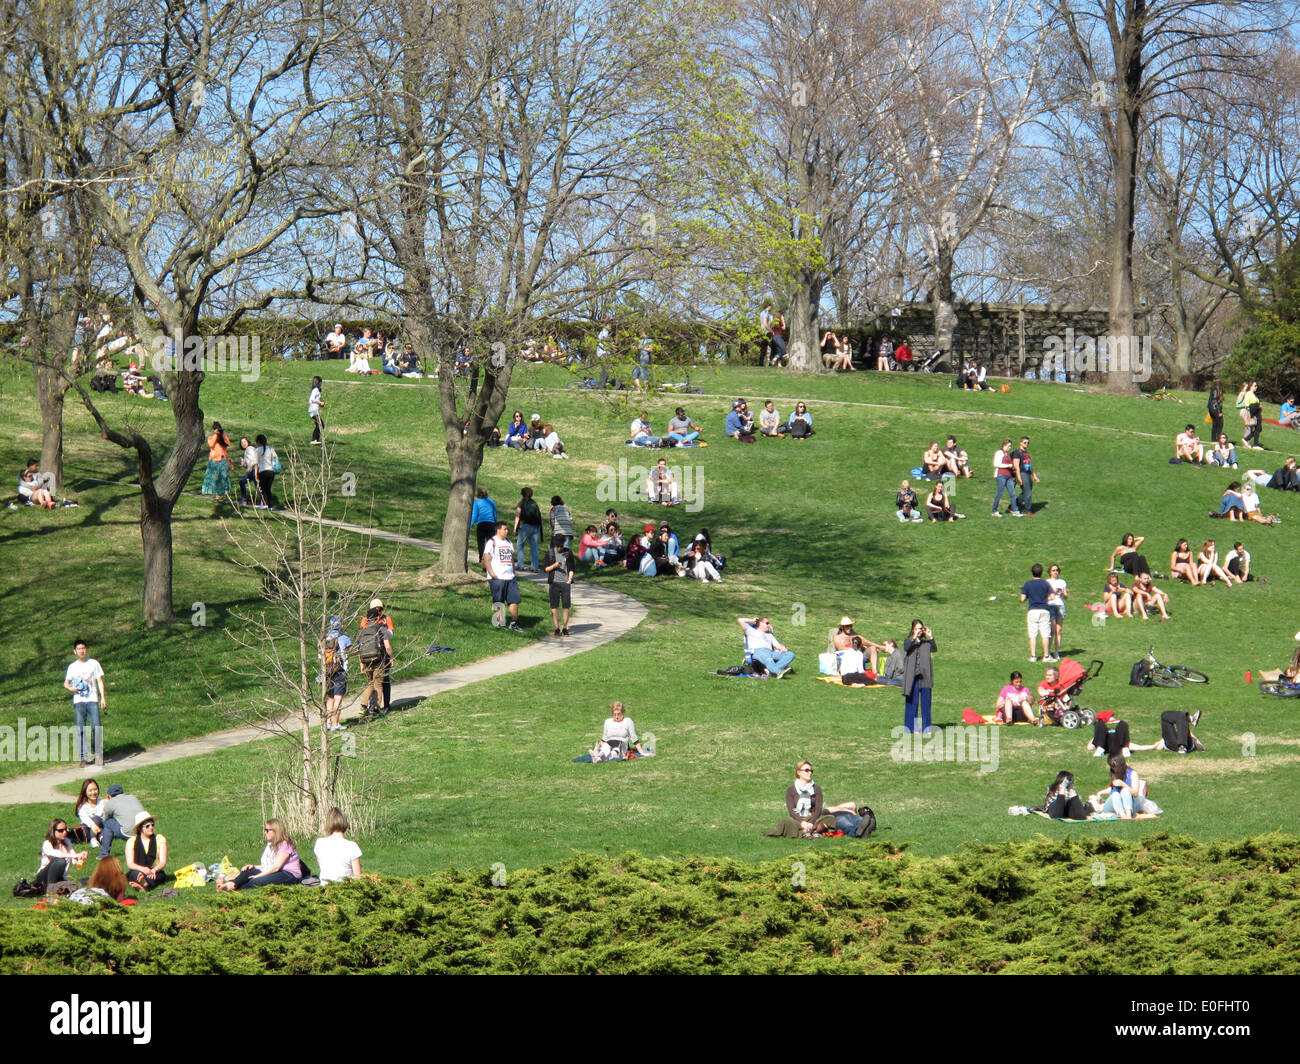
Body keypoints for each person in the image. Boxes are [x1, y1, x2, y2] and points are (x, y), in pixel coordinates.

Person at [764, 761, 862, 837]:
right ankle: (811, 831)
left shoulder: (816, 788)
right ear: (799, 772)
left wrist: (810, 823)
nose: (809, 773)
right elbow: (791, 811)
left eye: (811, 771)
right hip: (798, 819)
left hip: (813, 818)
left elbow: (818, 809)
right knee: (786, 822)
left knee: (830, 818)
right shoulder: (791, 790)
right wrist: (802, 822)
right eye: (806, 770)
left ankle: (809, 831)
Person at [217, 819, 304, 891]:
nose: (265, 832)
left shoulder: (284, 845)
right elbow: (269, 865)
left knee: (255, 881)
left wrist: (257, 876)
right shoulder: (272, 844)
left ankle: (232, 887)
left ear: (276, 831)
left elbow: (275, 867)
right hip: (278, 871)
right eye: (265, 830)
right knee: (248, 871)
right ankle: (232, 883)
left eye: (268, 830)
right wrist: (254, 866)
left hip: (289, 875)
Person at [64, 639, 106, 767]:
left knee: (96, 727)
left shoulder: (93, 663)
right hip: (79, 701)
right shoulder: (72, 667)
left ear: (86, 649)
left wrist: (103, 698)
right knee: (81, 729)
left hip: (92, 700)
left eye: (83, 648)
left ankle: (98, 754)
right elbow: (66, 683)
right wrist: (71, 688)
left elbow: (99, 681)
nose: (82, 651)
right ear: (75, 651)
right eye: (79, 649)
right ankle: (83, 757)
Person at [355, 603, 395, 718]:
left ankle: (363, 706)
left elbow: (359, 649)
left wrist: (361, 663)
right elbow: (387, 646)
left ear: (367, 619)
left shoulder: (360, 631)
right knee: (378, 685)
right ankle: (376, 709)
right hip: (379, 660)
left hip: (366, 660)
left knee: (370, 683)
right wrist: (391, 657)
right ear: (377, 618)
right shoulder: (381, 629)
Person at [484, 523, 524, 631]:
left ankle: (514, 622)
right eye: (504, 529)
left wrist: (513, 572)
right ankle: (500, 623)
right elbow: (486, 559)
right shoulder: (492, 542)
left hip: (510, 576)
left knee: (514, 600)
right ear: (498, 530)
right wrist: (492, 573)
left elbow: (511, 559)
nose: (507, 531)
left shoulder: (509, 542)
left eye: (507, 529)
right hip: (497, 577)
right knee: (499, 600)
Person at [901, 619, 936, 734]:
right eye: (917, 628)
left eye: (921, 628)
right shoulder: (909, 641)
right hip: (912, 676)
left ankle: (927, 728)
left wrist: (930, 636)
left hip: (925, 675)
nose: (920, 630)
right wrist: (914, 637)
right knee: (912, 702)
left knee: (926, 703)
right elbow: (906, 647)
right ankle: (912, 727)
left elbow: (934, 648)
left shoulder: (926, 642)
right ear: (913, 629)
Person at [314, 807, 363, 884]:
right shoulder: (352, 846)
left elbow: (323, 867)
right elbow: (358, 876)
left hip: (325, 887)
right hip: (345, 888)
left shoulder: (319, 843)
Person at [36, 818, 87, 892]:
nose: (64, 832)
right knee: (60, 861)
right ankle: (50, 891)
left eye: (65, 829)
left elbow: (75, 862)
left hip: (61, 878)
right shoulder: (47, 843)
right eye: (60, 830)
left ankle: (58, 888)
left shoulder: (67, 842)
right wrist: (73, 855)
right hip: (44, 877)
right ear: (53, 831)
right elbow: (57, 854)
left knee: (86, 881)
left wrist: (80, 857)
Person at [124, 811, 169, 891]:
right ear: (140, 828)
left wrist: (154, 870)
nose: (151, 827)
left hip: (154, 870)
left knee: (159, 876)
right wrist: (143, 869)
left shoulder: (160, 839)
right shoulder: (131, 841)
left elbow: (163, 862)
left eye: (152, 824)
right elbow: (130, 864)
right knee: (135, 874)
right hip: (138, 869)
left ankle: (144, 884)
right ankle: (144, 883)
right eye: (147, 826)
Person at [1021, 563, 1056, 663]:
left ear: (1032, 572)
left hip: (1032, 611)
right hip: (1044, 610)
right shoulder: (1046, 584)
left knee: (1033, 635)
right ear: (1041, 573)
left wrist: (1029, 596)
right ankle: (1046, 656)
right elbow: (1052, 597)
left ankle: (1033, 656)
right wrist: (1044, 598)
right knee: (1045, 634)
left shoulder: (1028, 584)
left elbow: (1022, 599)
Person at [98, 785, 145, 859]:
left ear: (109, 796)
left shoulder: (111, 802)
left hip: (129, 833)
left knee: (109, 823)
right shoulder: (133, 797)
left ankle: (104, 854)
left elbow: (105, 819)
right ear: (122, 793)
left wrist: (106, 804)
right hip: (144, 831)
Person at [322, 615, 352, 732]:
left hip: (327, 670)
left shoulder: (324, 638)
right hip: (341, 671)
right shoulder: (344, 638)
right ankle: (335, 724)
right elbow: (352, 651)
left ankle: (328, 722)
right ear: (341, 625)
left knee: (330, 698)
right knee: (338, 698)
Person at [543, 533, 574, 637]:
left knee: (566, 606)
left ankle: (565, 628)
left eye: (561, 546)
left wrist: (570, 579)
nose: (560, 548)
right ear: (555, 544)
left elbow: (571, 568)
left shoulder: (568, 553)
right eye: (558, 546)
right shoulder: (550, 553)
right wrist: (554, 566)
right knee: (554, 606)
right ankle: (557, 628)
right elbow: (546, 569)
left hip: (565, 583)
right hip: (554, 583)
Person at [514, 487, 543, 572]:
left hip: (525, 526)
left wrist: (515, 528)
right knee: (534, 547)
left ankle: (520, 565)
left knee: (520, 546)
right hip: (536, 527)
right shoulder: (534, 503)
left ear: (522, 494)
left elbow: (518, 516)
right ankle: (534, 567)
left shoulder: (521, 503)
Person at [991, 439, 1023, 516]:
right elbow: (996, 464)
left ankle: (1015, 510)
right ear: (1004, 445)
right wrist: (1008, 466)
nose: (1009, 447)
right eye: (1008, 446)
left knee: (1012, 493)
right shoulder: (999, 453)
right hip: (1001, 475)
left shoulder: (1007, 455)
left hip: (1009, 477)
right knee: (999, 493)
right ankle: (994, 511)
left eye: (1010, 446)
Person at [1010, 436, 1040, 515]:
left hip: (1027, 473)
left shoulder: (1026, 453)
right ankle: (1028, 510)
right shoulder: (1017, 452)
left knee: (1026, 492)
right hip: (1022, 473)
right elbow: (1016, 466)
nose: (1027, 444)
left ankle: (1013, 506)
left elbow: (1029, 465)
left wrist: (1034, 476)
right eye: (1025, 442)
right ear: (1020, 443)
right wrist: (1019, 478)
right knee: (1028, 492)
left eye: (1028, 443)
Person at [202, 421, 232, 496]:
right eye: (215, 429)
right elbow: (211, 444)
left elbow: (228, 444)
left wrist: (223, 435)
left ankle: (225, 494)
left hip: (223, 460)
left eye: (218, 429)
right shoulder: (211, 437)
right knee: (214, 478)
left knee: (224, 478)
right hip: (214, 460)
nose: (217, 430)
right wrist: (215, 435)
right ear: (213, 430)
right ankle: (216, 495)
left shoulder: (223, 437)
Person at [73, 778, 104, 847]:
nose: (93, 793)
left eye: (95, 789)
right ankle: (95, 838)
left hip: (101, 826)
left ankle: (99, 838)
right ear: (85, 792)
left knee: (98, 819)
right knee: (96, 818)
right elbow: (88, 821)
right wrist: (96, 827)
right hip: (88, 828)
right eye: (90, 790)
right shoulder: (82, 807)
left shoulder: (102, 802)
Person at [1045, 564, 1068, 655]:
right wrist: (1053, 592)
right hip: (1051, 605)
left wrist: (1062, 593)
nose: (1055, 572)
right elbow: (1044, 596)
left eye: (1057, 570)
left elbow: (1066, 597)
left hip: (1060, 605)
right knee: (1052, 630)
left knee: (1059, 630)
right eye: (1053, 570)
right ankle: (1048, 651)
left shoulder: (1062, 582)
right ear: (1050, 572)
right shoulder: (1047, 582)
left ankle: (1056, 652)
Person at [471, 487, 498, 561]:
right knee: (490, 542)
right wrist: (495, 522)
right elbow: (495, 513)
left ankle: (482, 558)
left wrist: (471, 524)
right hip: (491, 524)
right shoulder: (491, 502)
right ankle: (490, 558)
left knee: (481, 542)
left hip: (481, 524)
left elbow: (474, 514)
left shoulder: (476, 502)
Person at [254, 434, 279, 509]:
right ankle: (270, 506)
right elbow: (275, 457)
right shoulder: (270, 449)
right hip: (271, 471)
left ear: (258, 442)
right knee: (268, 489)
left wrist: (256, 474)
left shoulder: (257, 450)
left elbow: (256, 463)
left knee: (262, 489)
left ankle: (265, 504)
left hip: (263, 471)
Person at [236, 436, 258, 505]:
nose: (243, 443)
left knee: (257, 486)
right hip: (251, 471)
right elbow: (248, 464)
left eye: (245, 441)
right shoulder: (247, 450)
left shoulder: (250, 449)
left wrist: (250, 466)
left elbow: (255, 459)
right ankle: (244, 500)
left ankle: (263, 503)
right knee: (242, 482)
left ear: (248, 442)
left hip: (255, 470)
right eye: (242, 442)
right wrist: (244, 464)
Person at [308, 377, 325, 445]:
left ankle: (315, 440)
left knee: (320, 425)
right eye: (321, 382)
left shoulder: (316, 390)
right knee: (320, 424)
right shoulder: (315, 390)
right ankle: (314, 440)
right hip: (313, 409)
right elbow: (311, 399)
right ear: (318, 382)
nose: (321, 384)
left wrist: (320, 404)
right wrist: (320, 403)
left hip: (314, 409)